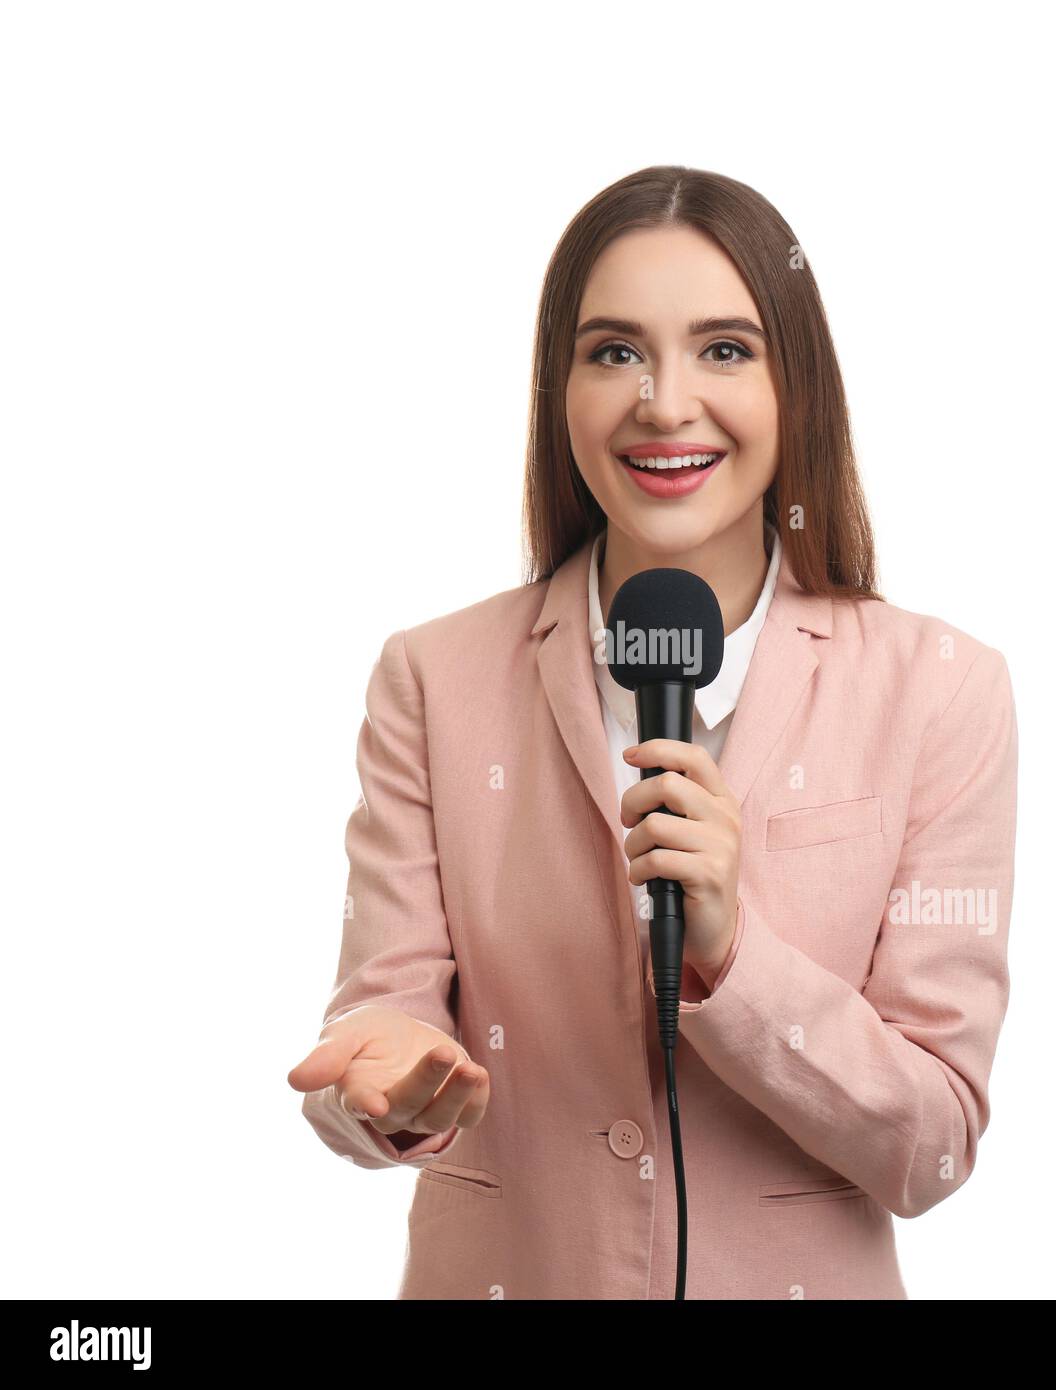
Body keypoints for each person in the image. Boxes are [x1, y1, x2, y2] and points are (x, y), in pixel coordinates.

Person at [286, 165, 1018, 1301]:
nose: (663, 402)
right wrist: (380, 1081)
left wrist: (735, 954)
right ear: (559, 388)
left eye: (725, 349)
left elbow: (934, 1141)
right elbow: (382, 1009)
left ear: (797, 385)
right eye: (614, 350)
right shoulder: (433, 678)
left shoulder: (938, 689)